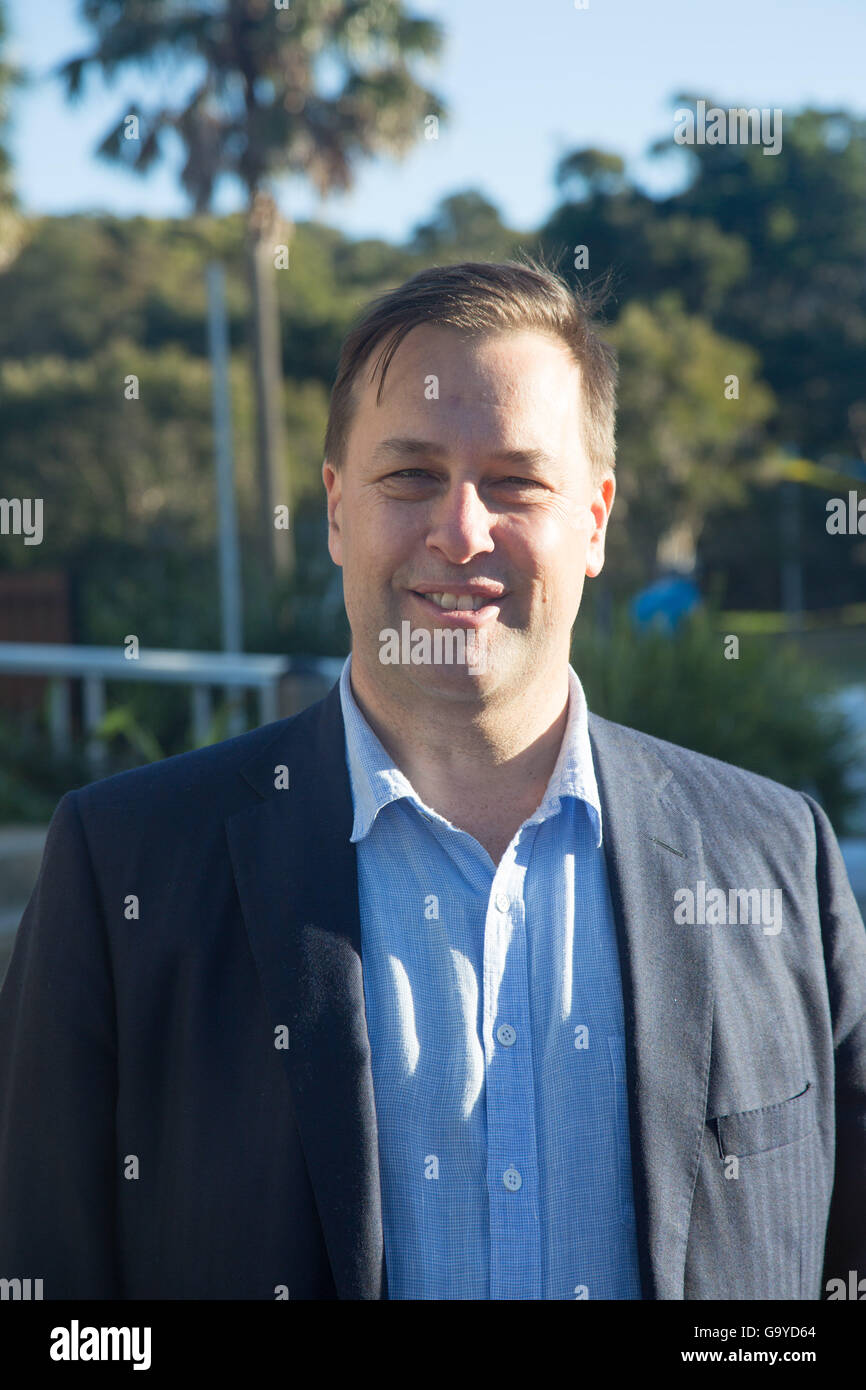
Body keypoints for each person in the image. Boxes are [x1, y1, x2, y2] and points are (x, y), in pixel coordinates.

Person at [1, 258, 864, 1300]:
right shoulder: (124, 868)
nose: (460, 533)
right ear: (332, 512)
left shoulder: (777, 862)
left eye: (514, 481)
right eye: (409, 476)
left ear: (592, 521)